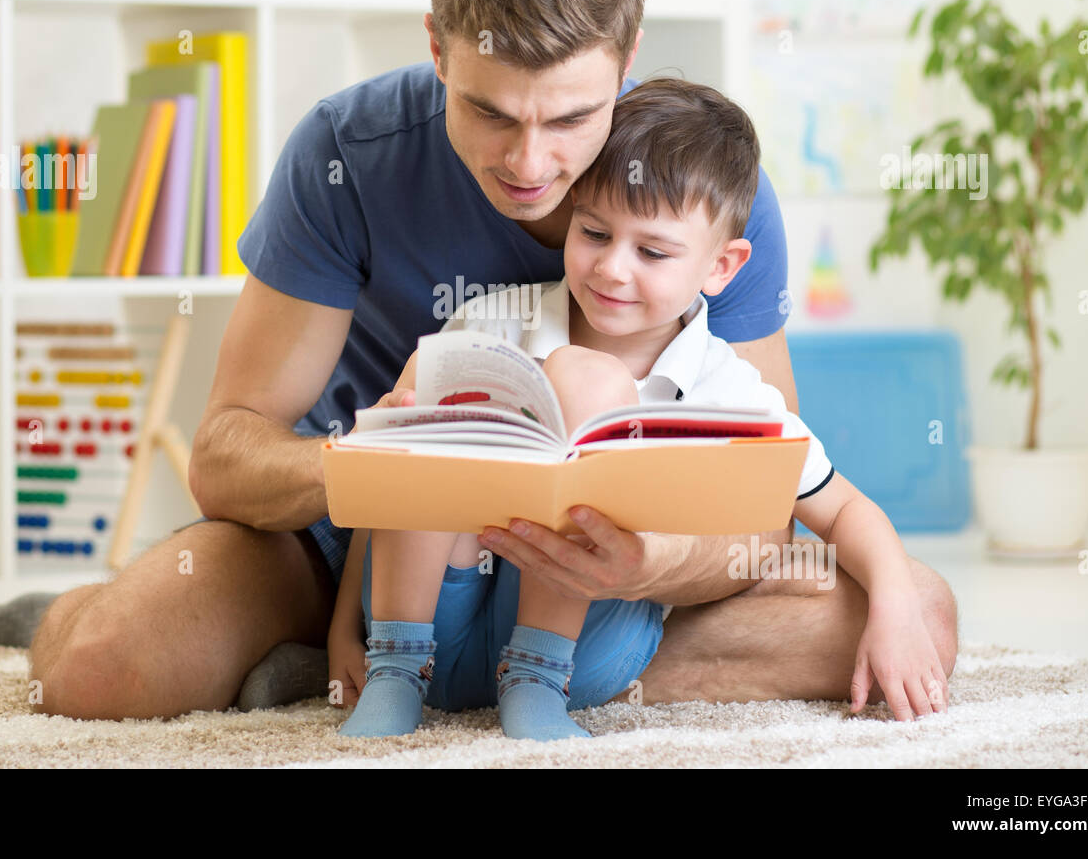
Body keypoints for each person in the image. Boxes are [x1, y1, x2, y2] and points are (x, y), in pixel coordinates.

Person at [28, 0, 957, 724]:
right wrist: (380, 464)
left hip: (596, 581)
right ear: (437, 48)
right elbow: (227, 457)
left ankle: (491, 676)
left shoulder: (702, 199)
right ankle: (366, 644)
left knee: (917, 609)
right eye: (490, 113)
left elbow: (763, 511)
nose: (528, 162)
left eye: (568, 120)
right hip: (347, 538)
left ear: (626, 62)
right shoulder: (345, 151)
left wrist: (643, 565)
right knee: (100, 671)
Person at [333, 79, 949, 740]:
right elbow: (391, 480)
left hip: (584, 651)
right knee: (433, 373)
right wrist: (342, 629)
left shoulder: (729, 389)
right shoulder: (492, 321)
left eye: (652, 251)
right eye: (594, 232)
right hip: (433, 616)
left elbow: (845, 509)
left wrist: (895, 604)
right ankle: (394, 670)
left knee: (589, 385)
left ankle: (534, 682)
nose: (612, 269)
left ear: (721, 266)